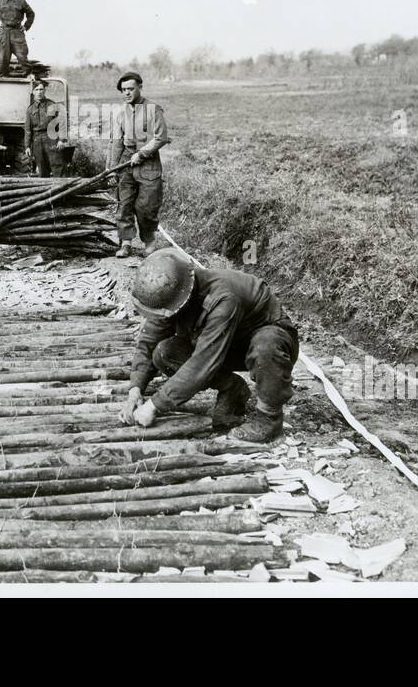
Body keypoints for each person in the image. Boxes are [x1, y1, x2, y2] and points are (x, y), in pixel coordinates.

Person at [120, 249, 300, 444]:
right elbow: (149, 341)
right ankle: (233, 390)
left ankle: (268, 420)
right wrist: (135, 389)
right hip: (224, 342)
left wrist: (155, 405)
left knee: (266, 345)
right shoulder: (171, 295)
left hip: (266, 340)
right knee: (165, 352)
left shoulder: (223, 298)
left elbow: (203, 362)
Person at [108, 71, 169, 257]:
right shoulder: (120, 112)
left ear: (140, 88)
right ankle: (126, 243)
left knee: (146, 207)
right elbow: (116, 142)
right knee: (124, 204)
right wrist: (111, 169)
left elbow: (161, 138)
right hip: (126, 162)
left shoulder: (153, 109)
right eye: (123, 90)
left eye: (130, 89)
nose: (127, 93)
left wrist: (141, 153)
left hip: (148, 163)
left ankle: (149, 243)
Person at [24, 78, 62, 177]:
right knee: (42, 167)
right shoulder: (30, 109)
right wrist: (27, 146)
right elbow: (28, 130)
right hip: (37, 140)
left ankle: (61, 189)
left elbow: (61, 123)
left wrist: (61, 139)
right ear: (33, 92)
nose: (39, 92)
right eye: (37, 90)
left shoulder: (52, 105)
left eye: (41, 89)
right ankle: (46, 190)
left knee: (57, 166)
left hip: (51, 137)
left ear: (44, 91)